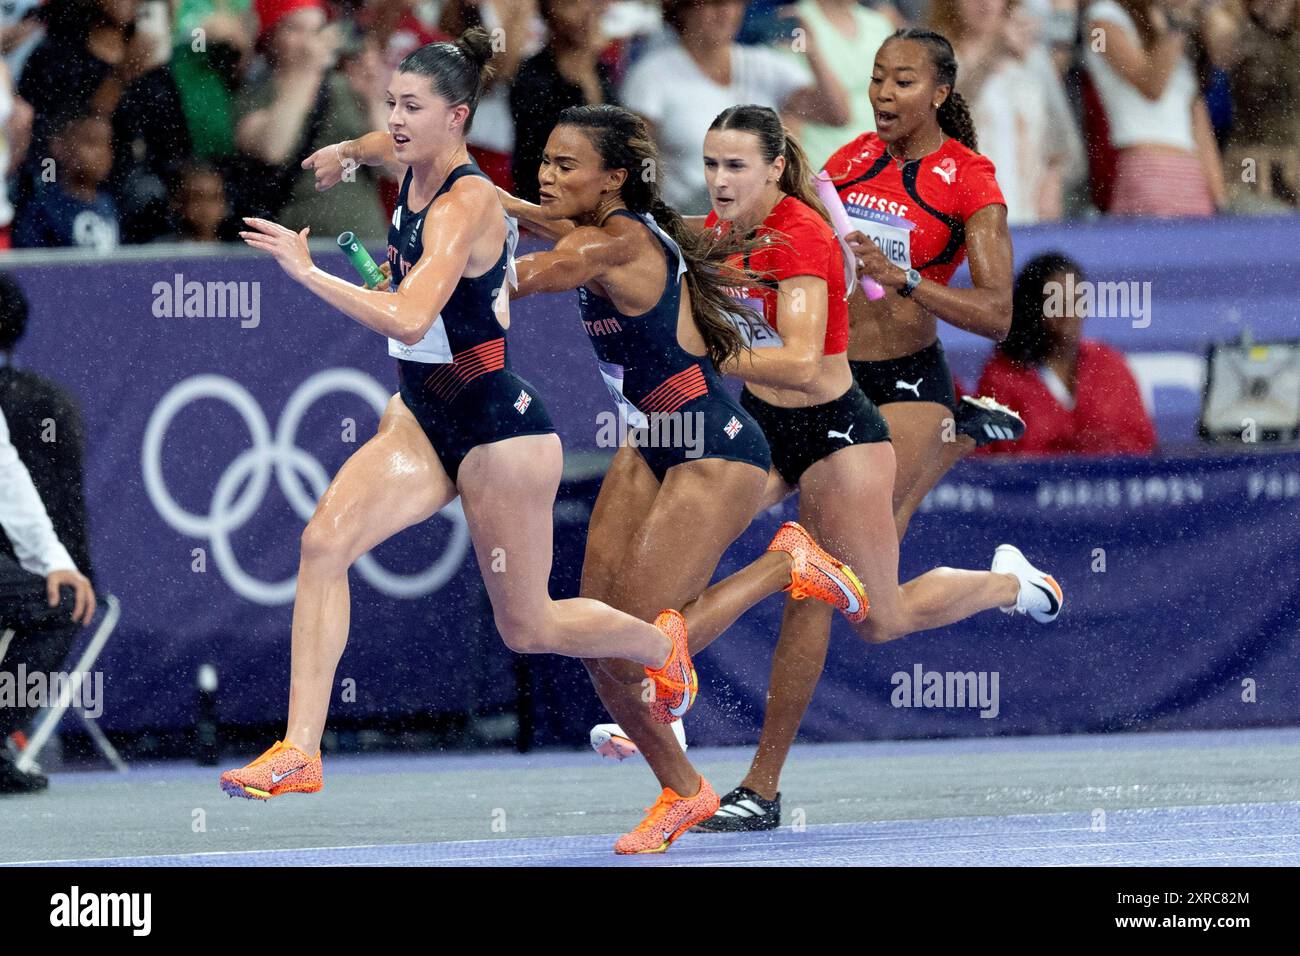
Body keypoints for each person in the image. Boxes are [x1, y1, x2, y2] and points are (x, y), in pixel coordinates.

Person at [221, 31, 710, 813]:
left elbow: (411, 318)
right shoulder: (412, 154)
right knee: (322, 544)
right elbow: (389, 142)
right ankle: (300, 751)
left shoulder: (466, 202)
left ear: (457, 118)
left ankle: (660, 644)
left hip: (500, 430)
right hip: (422, 413)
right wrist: (348, 148)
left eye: (412, 108)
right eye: (391, 105)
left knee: (530, 626)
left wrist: (307, 272)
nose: (397, 120)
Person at [694, 30, 1040, 828]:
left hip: (909, 384)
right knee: (849, 595)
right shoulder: (847, 161)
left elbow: (997, 314)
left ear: (941, 93)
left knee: (825, 584)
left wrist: (906, 280)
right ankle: (654, 684)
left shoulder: (971, 183)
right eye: (878, 78)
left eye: (904, 81)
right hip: (825, 384)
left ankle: (762, 788)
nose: (885, 93)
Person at [499, 103, 864, 853]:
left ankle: (786, 563)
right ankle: (684, 790)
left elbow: (551, 266)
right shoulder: (594, 224)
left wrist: (476, 279)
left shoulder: (622, 238)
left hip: (713, 448)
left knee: (639, 635)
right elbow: (535, 220)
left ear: (613, 180)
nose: (546, 175)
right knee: (597, 636)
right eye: (544, 160)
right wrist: (463, 192)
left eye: (566, 166)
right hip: (648, 442)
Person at [619, 0, 850, 213]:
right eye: (715, 4)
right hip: (691, 216)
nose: (726, 13)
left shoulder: (761, 63)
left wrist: (813, 53)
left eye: (734, 3)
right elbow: (636, 161)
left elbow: (836, 114)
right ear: (685, 9)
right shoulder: (651, 75)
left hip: (757, 213)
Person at [975, 252, 1157, 455]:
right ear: (1033, 308)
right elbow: (990, 463)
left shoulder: (1110, 366)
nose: (1070, 312)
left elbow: (1143, 443)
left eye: (1078, 301)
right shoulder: (1002, 377)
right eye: (1056, 303)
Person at [1083, 0, 1226, 216]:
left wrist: (1220, 200)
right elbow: (1151, 86)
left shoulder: (1166, 20)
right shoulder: (1104, 16)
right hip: (1146, 166)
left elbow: (1200, 126)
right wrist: (1180, 22)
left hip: (1192, 174)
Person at [509, 0, 615, 203]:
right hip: (544, 207)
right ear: (549, 14)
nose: (586, 13)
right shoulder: (533, 76)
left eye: (590, 4)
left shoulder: (601, 71)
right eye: (570, 4)